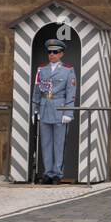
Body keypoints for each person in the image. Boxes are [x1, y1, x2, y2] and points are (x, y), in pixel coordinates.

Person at [32, 39, 77, 184]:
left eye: (55, 52)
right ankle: (48, 173)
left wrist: (68, 113)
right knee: (46, 143)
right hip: (45, 108)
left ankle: (58, 174)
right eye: (49, 52)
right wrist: (35, 109)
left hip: (60, 109)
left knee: (59, 143)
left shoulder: (68, 70)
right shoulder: (41, 70)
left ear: (61, 54)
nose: (51, 54)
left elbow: (71, 92)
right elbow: (37, 92)